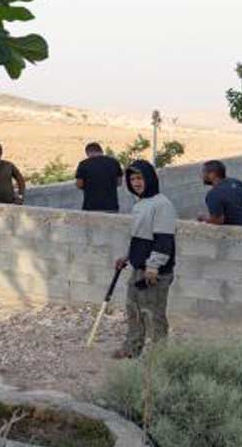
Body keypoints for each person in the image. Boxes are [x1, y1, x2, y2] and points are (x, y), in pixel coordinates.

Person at [113, 160, 177, 359]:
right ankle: (132, 349)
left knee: (153, 314)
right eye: (132, 179)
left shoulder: (162, 204)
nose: (136, 183)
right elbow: (138, 236)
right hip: (138, 268)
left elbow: (164, 240)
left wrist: (153, 266)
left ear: (150, 178)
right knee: (133, 310)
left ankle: (158, 356)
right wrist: (127, 256)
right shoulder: (140, 204)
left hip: (154, 272)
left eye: (139, 178)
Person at [198, 160, 242, 227]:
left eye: (204, 172)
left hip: (239, 231)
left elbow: (217, 221)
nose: (202, 175)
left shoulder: (213, 194)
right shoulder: (236, 182)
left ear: (213, 174)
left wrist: (203, 218)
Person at [74, 142, 124, 213]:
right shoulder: (114, 162)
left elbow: (79, 184)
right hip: (111, 206)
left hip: (91, 207)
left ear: (88, 153)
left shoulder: (83, 164)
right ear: (101, 151)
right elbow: (119, 182)